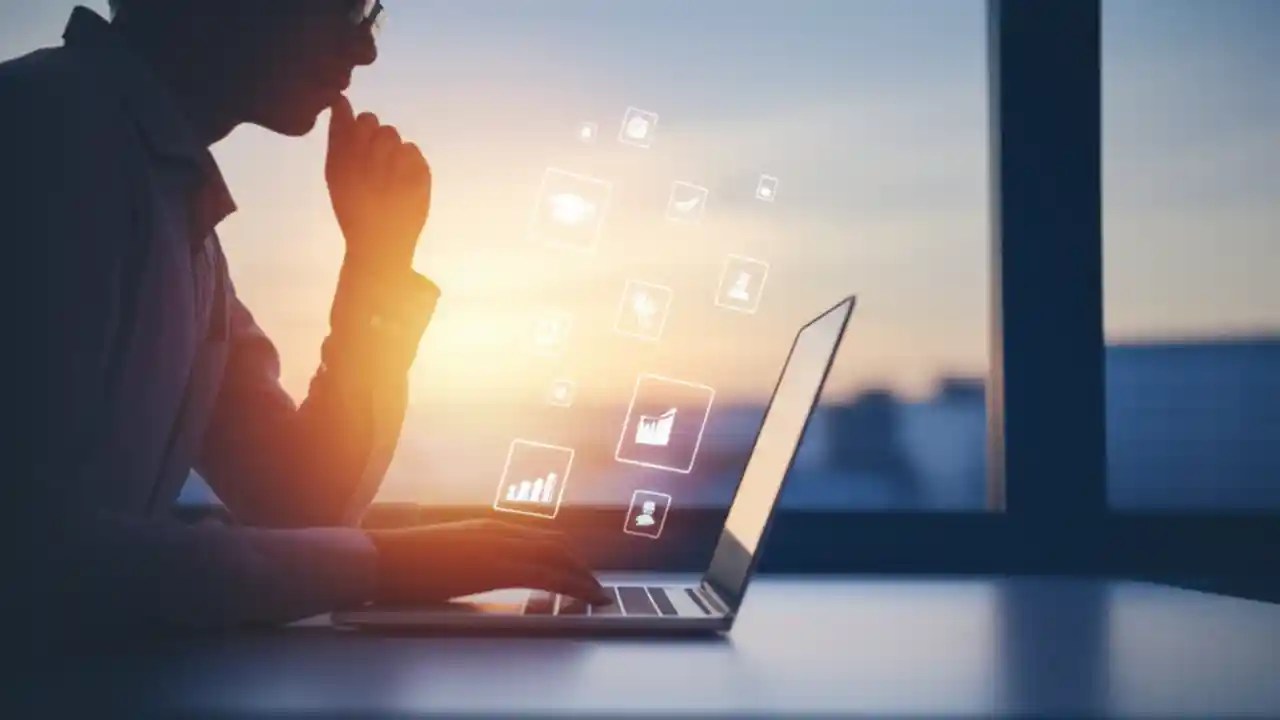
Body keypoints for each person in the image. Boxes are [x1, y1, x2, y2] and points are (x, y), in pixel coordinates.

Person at [6, 0, 608, 636]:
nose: (366, 48)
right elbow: (35, 560)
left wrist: (376, 267)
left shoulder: (171, 207)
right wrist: (392, 563)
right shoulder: (40, 140)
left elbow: (300, 501)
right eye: (349, 8)